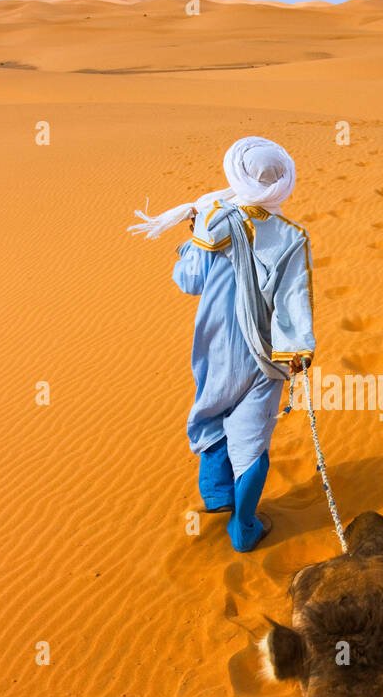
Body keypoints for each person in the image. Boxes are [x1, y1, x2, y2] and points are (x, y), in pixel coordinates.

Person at [128, 136, 314, 551]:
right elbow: (294, 299)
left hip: (214, 345)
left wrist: (188, 240)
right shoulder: (292, 236)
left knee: (212, 410)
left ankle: (216, 494)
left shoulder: (214, 226)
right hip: (266, 353)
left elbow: (189, 281)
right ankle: (243, 527)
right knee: (253, 436)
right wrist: (300, 351)